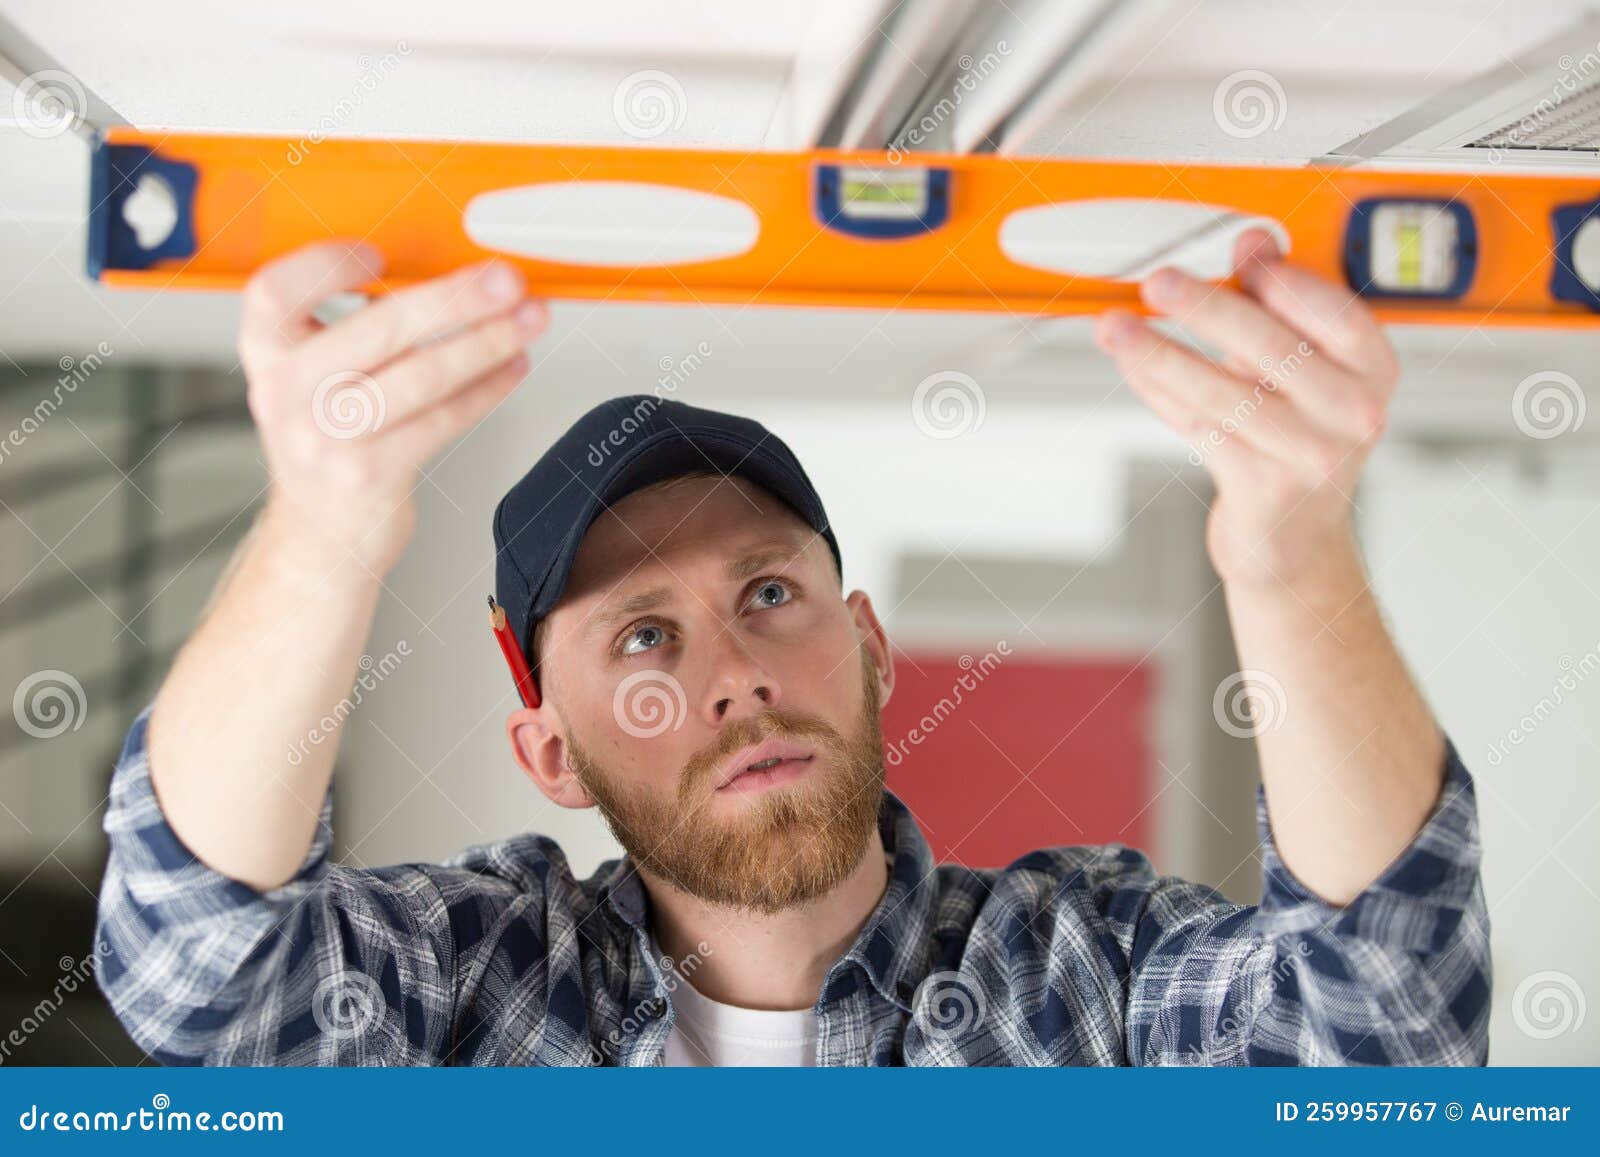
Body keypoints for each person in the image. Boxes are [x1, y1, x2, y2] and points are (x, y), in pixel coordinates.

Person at [94, 230, 1489, 1066]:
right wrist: (324, 532)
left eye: (770, 593)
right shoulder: (485, 979)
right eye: (645, 633)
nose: (736, 675)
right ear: (551, 751)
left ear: (871, 646)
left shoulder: (1085, 973)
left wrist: (1291, 556)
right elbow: (201, 975)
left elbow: (1384, 1035)